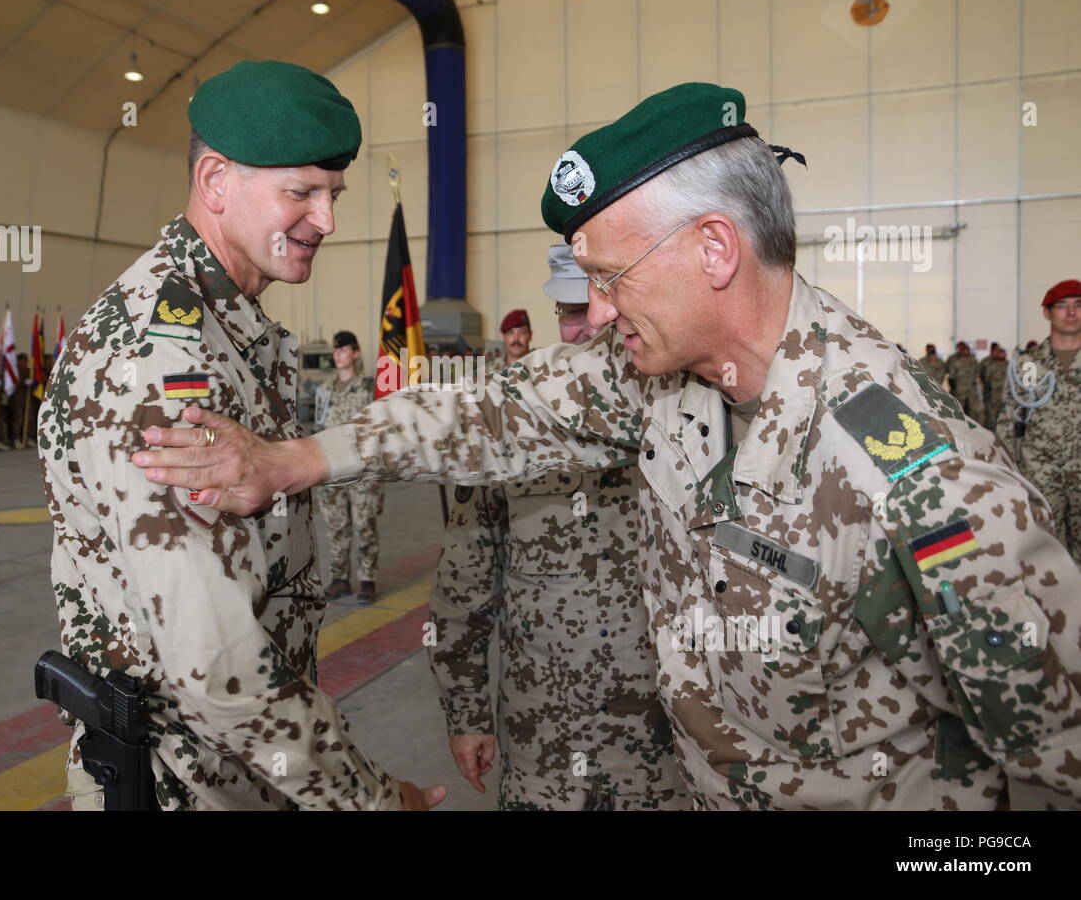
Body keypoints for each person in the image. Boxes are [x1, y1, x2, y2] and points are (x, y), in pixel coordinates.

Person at [136, 82, 1081, 810]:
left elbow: (1053, 765)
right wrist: (293, 462)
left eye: (612, 276)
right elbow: (499, 412)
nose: (597, 312)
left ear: (715, 251)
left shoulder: (930, 486)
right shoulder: (660, 377)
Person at [38, 60, 441, 811]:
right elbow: (214, 665)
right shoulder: (160, 358)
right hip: (182, 783)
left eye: (334, 195)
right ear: (217, 180)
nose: (326, 220)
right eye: (302, 192)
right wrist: (374, 804)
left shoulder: (226, 324)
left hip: (245, 773)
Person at [431, 244, 688, 811]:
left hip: (661, 747)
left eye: (593, 311)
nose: (581, 332)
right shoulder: (512, 418)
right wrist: (466, 711)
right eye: (568, 313)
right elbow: (464, 584)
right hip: (541, 743)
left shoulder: (682, 410)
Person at [998, 280, 1081, 565]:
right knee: (1046, 555)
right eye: (1062, 305)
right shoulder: (1028, 365)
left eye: (1078, 305)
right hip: (1041, 475)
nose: (1071, 312)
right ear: (1047, 313)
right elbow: (1009, 420)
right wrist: (1008, 472)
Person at [313, 330, 383, 604]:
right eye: (336, 350)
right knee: (336, 526)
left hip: (363, 468)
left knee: (365, 524)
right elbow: (318, 426)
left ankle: (367, 580)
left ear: (355, 353)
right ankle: (339, 578)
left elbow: (379, 427)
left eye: (344, 349)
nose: (338, 354)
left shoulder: (368, 386)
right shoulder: (325, 389)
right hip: (332, 468)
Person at [945, 340, 983, 420]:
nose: (967, 352)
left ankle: (974, 425)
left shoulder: (974, 360)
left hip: (972, 389)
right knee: (959, 408)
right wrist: (953, 384)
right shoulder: (956, 361)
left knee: (973, 409)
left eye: (968, 350)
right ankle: (959, 423)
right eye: (965, 350)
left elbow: (978, 372)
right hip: (960, 389)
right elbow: (952, 374)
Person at [980, 342, 1008, 429]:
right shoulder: (991, 366)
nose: (1002, 355)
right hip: (993, 396)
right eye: (1000, 353)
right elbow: (985, 379)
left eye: (1003, 353)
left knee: (1005, 417)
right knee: (991, 418)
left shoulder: (1009, 365)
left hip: (1005, 397)